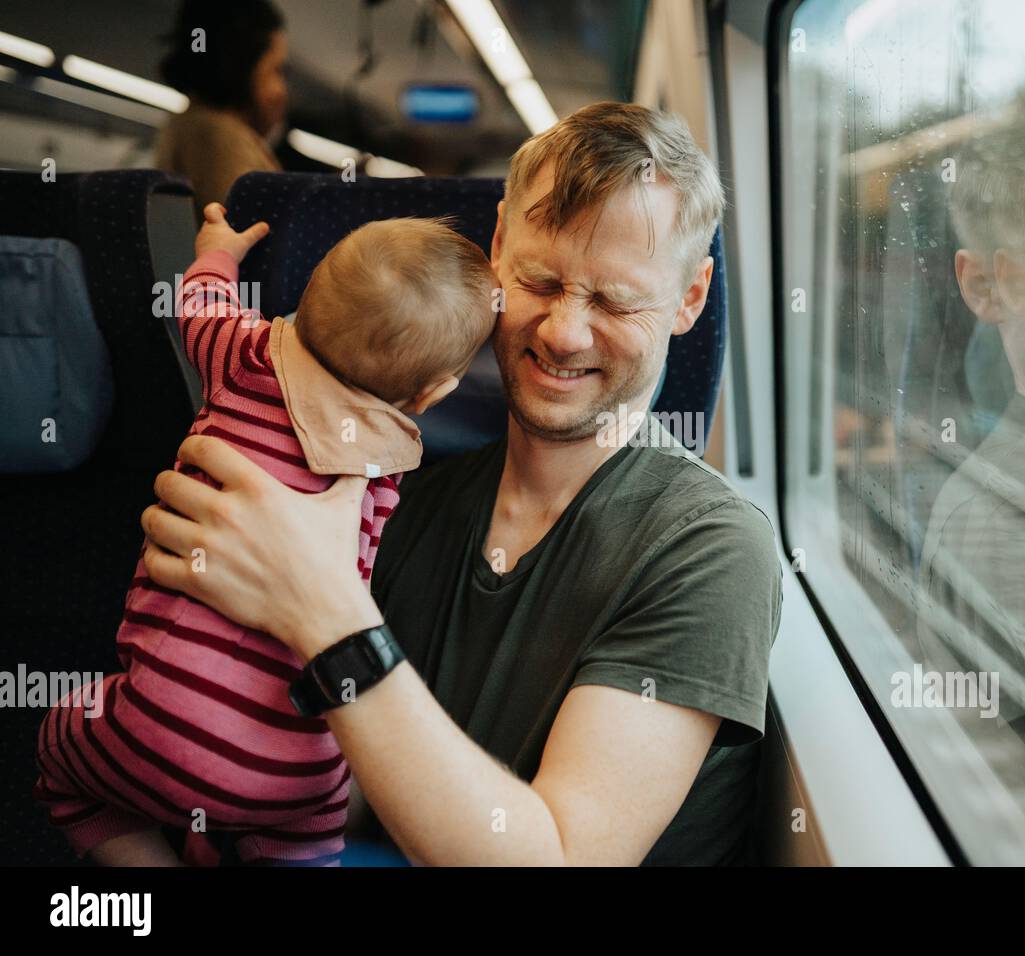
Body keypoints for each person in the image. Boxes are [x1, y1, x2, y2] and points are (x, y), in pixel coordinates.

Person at [126, 101, 784, 867]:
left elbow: (557, 858)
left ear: (690, 299)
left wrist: (320, 609)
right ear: (499, 244)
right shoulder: (398, 501)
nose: (565, 332)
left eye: (616, 300)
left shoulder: (710, 547)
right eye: (540, 279)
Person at [32, 203, 496, 866]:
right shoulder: (384, 474)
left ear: (306, 300)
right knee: (310, 833)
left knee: (60, 756)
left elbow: (201, 297)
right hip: (296, 776)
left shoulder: (244, 354)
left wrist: (219, 251)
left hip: (154, 730)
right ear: (431, 394)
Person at [154, 0, 288, 217]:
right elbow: (262, 234)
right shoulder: (219, 134)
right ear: (243, 67)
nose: (281, 89)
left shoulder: (191, 121)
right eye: (275, 70)